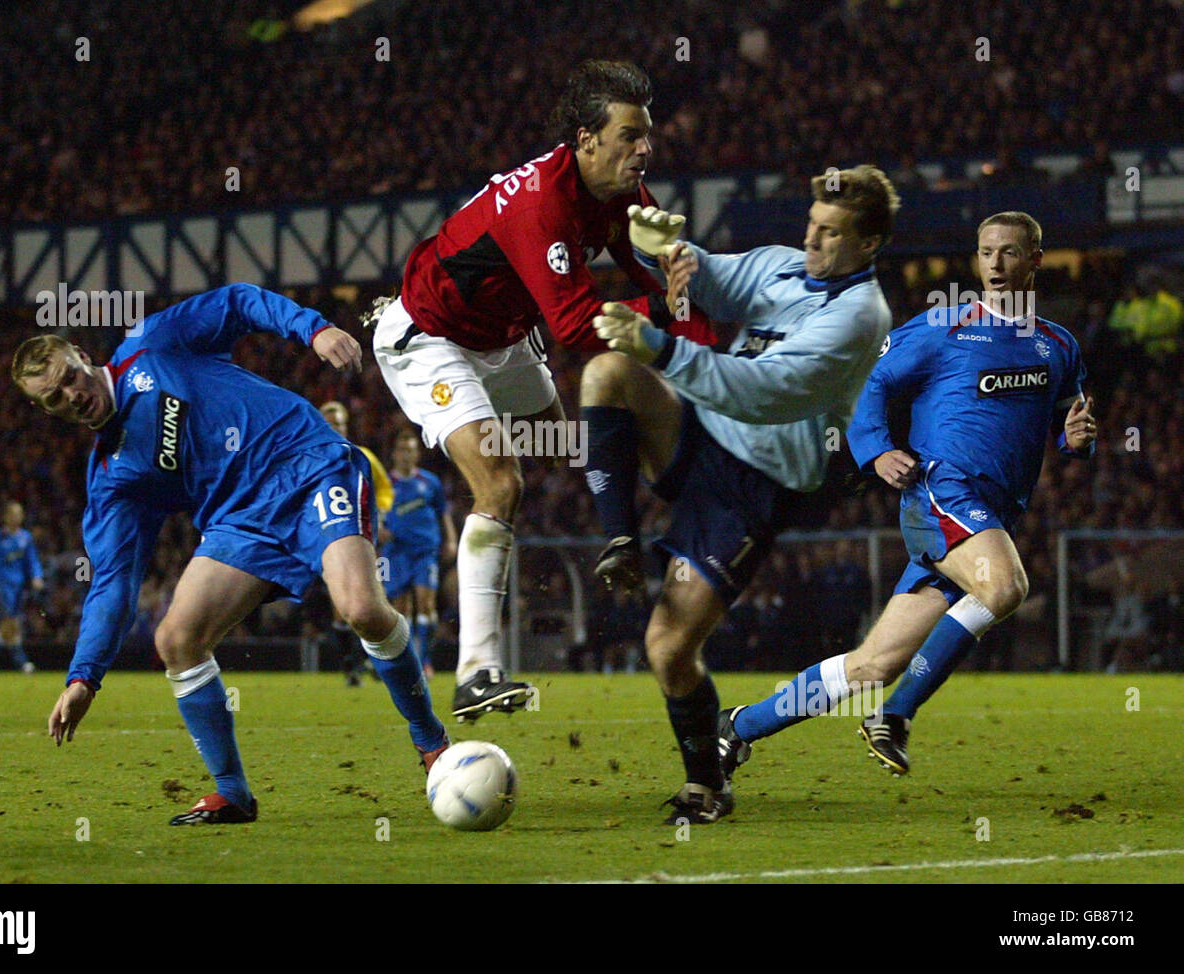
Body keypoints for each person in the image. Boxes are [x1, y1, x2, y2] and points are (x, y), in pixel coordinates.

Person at [11, 283, 449, 826]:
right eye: (54, 397)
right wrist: (83, 677)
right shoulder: (112, 479)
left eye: (70, 378)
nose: (72, 395)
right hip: (241, 523)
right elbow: (114, 583)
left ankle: (431, 743)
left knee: (360, 609)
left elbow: (238, 301)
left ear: (81, 356)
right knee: (176, 639)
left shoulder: (151, 345)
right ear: (47, 410)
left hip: (307, 462)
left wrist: (312, 329)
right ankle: (232, 793)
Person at [369, 59, 715, 722]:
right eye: (630, 135)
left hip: (503, 335)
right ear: (586, 138)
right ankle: (476, 670)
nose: (646, 147)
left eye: (647, 133)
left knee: (560, 447)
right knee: (501, 484)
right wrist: (667, 314)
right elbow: (577, 327)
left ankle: (634, 530)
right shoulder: (542, 203)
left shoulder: (621, 188)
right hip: (432, 337)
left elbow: (652, 269)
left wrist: (687, 311)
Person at [717, 211, 1097, 780]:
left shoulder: (1058, 346)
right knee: (1007, 585)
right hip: (941, 491)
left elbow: (1068, 420)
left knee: (874, 663)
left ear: (1035, 260)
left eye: (1010, 252)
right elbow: (870, 380)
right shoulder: (942, 328)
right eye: (986, 251)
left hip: (988, 519)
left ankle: (737, 728)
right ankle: (894, 717)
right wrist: (875, 449)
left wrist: (1073, 443)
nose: (995, 263)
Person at [583, 164, 900, 822]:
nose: (813, 241)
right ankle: (619, 541)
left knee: (668, 649)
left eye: (832, 234)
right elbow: (719, 277)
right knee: (608, 372)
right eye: (812, 226)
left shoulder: (859, 318)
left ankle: (709, 785)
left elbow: (765, 394)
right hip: (701, 431)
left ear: (867, 245)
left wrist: (662, 351)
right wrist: (669, 250)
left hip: (756, 484)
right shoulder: (784, 265)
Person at [318, 400, 394, 687]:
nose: (336, 428)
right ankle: (350, 664)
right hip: (328, 539)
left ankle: (374, 661)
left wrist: (382, 516)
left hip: (363, 536)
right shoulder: (309, 457)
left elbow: (384, 488)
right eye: (330, 423)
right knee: (341, 603)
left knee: (371, 597)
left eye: (340, 423)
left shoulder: (361, 456)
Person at [383, 428, 457, 679]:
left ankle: (425, 661)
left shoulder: (429, 482)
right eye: (403, 450)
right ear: (394, 454)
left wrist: (451, 539)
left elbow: (442, 511)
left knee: (426, 604)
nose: (407, 455)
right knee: (400, 609)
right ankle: (404, 661)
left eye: (412, 450)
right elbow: (374, 511)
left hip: (425, 550)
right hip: (397, 552)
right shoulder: (385, 484)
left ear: (417, 454)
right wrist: (379, 530)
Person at [0, 500, 44, 673]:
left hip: (19, 587)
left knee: (10, 625)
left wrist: (36, 576)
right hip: (1, 585)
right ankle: (20, 662)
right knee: (8, 624)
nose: (16, 517)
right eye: (13, 514)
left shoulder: (25, 538)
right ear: (5, 517)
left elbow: (32, 560)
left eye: (19, 514)